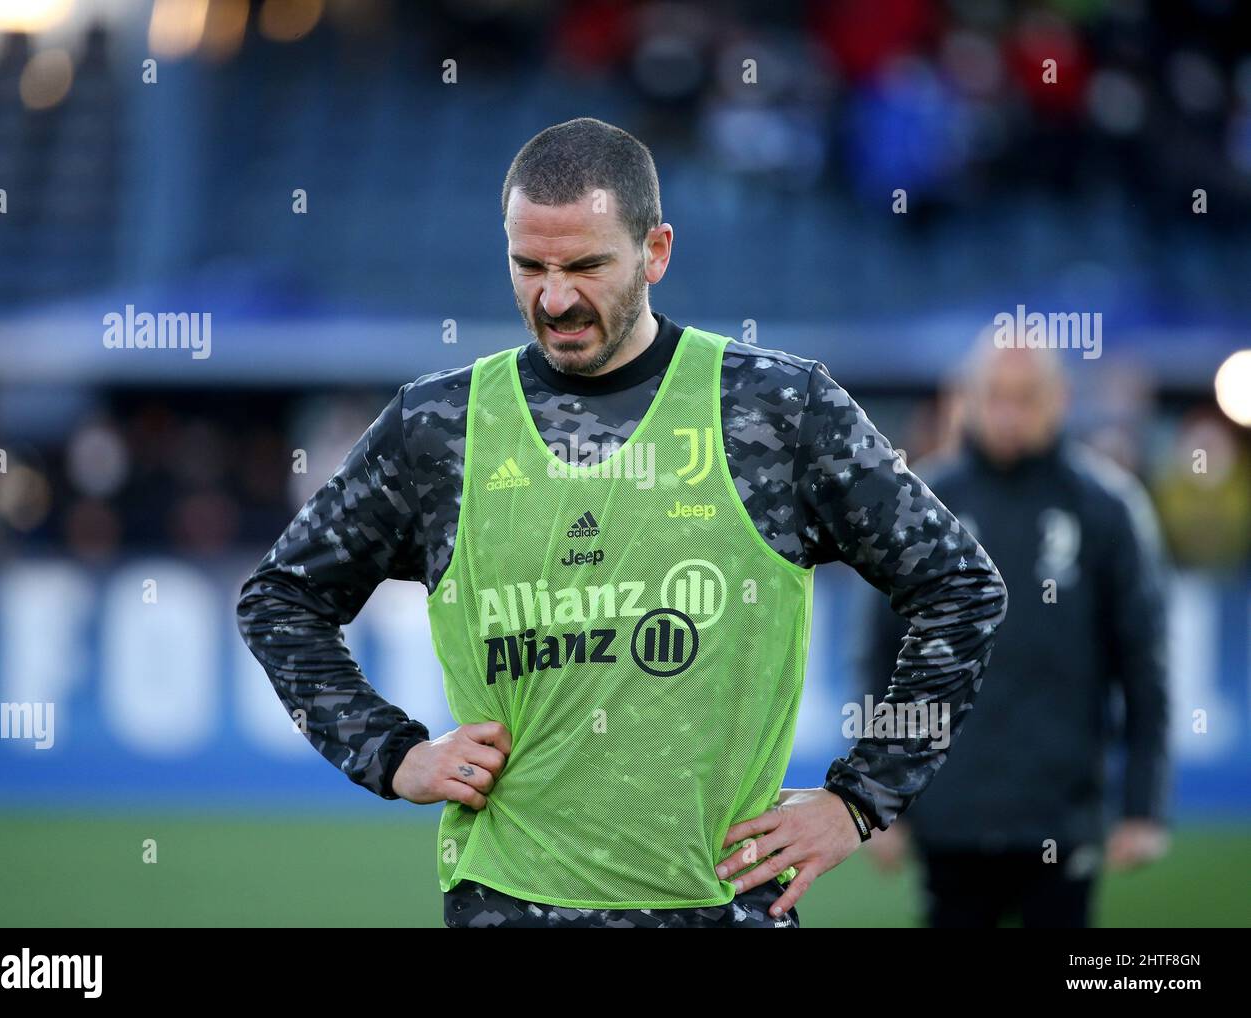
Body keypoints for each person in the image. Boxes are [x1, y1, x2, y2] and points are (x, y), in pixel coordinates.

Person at [236, 117, 1008, 928]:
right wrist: (392, 754)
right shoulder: (440, 426)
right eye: (528, 265)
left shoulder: (778, 408)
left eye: (586, 265)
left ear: (656, 251)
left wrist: (860, 800)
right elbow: (280, 598)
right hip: (509, 903)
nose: (555, 296)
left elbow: (960, 587)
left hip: (720, 905)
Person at [859, 339, 1170, 927]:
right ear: (966, 399)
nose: (1008, 414)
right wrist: (876, 800)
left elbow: (1143, 664)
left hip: (1062, 812)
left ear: (1061, 399)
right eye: (994, 397)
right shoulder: (923, 502)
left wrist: (1143, 806)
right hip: (951, 813)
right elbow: (880, 659)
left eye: (1025, 399)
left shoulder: (1106, 507)